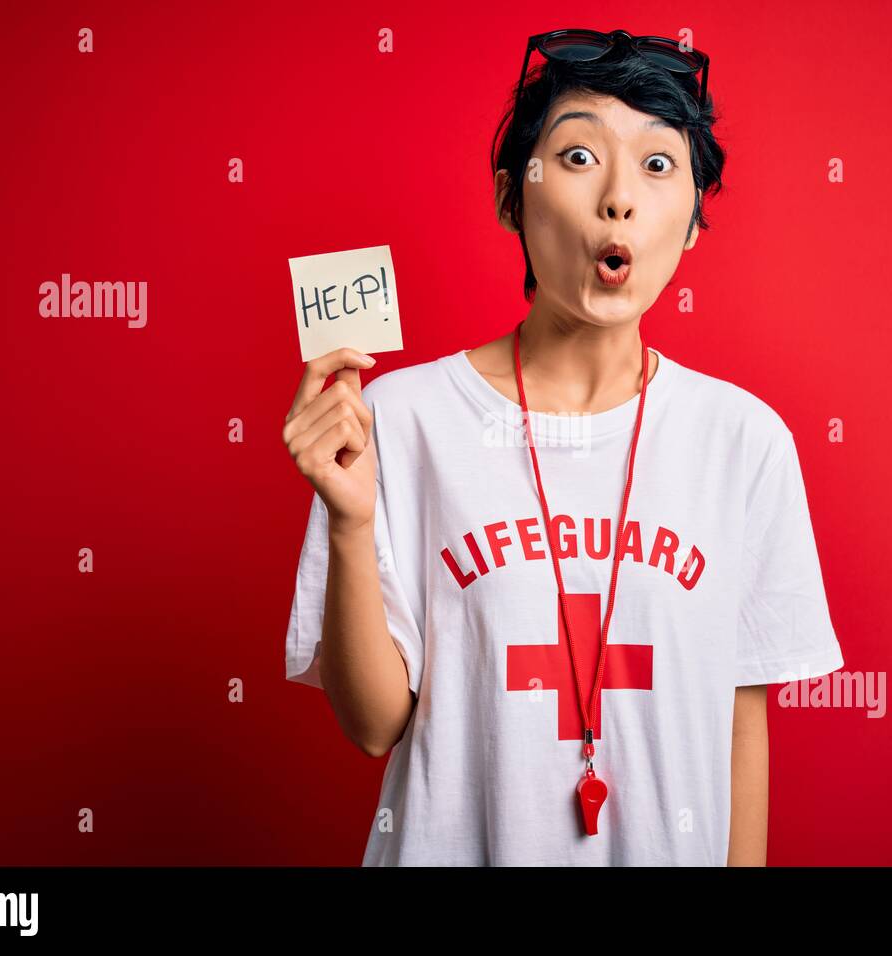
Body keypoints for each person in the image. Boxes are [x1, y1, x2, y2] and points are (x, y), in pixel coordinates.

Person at [281, 29, 843, 866]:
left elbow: (739, 725)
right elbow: (373, 727)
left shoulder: (744, 441)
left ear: (693, 221)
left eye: (659, 165)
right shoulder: (396, 419)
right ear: (512, 197)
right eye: (578, 157)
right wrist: (351, 522)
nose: (619, 199)